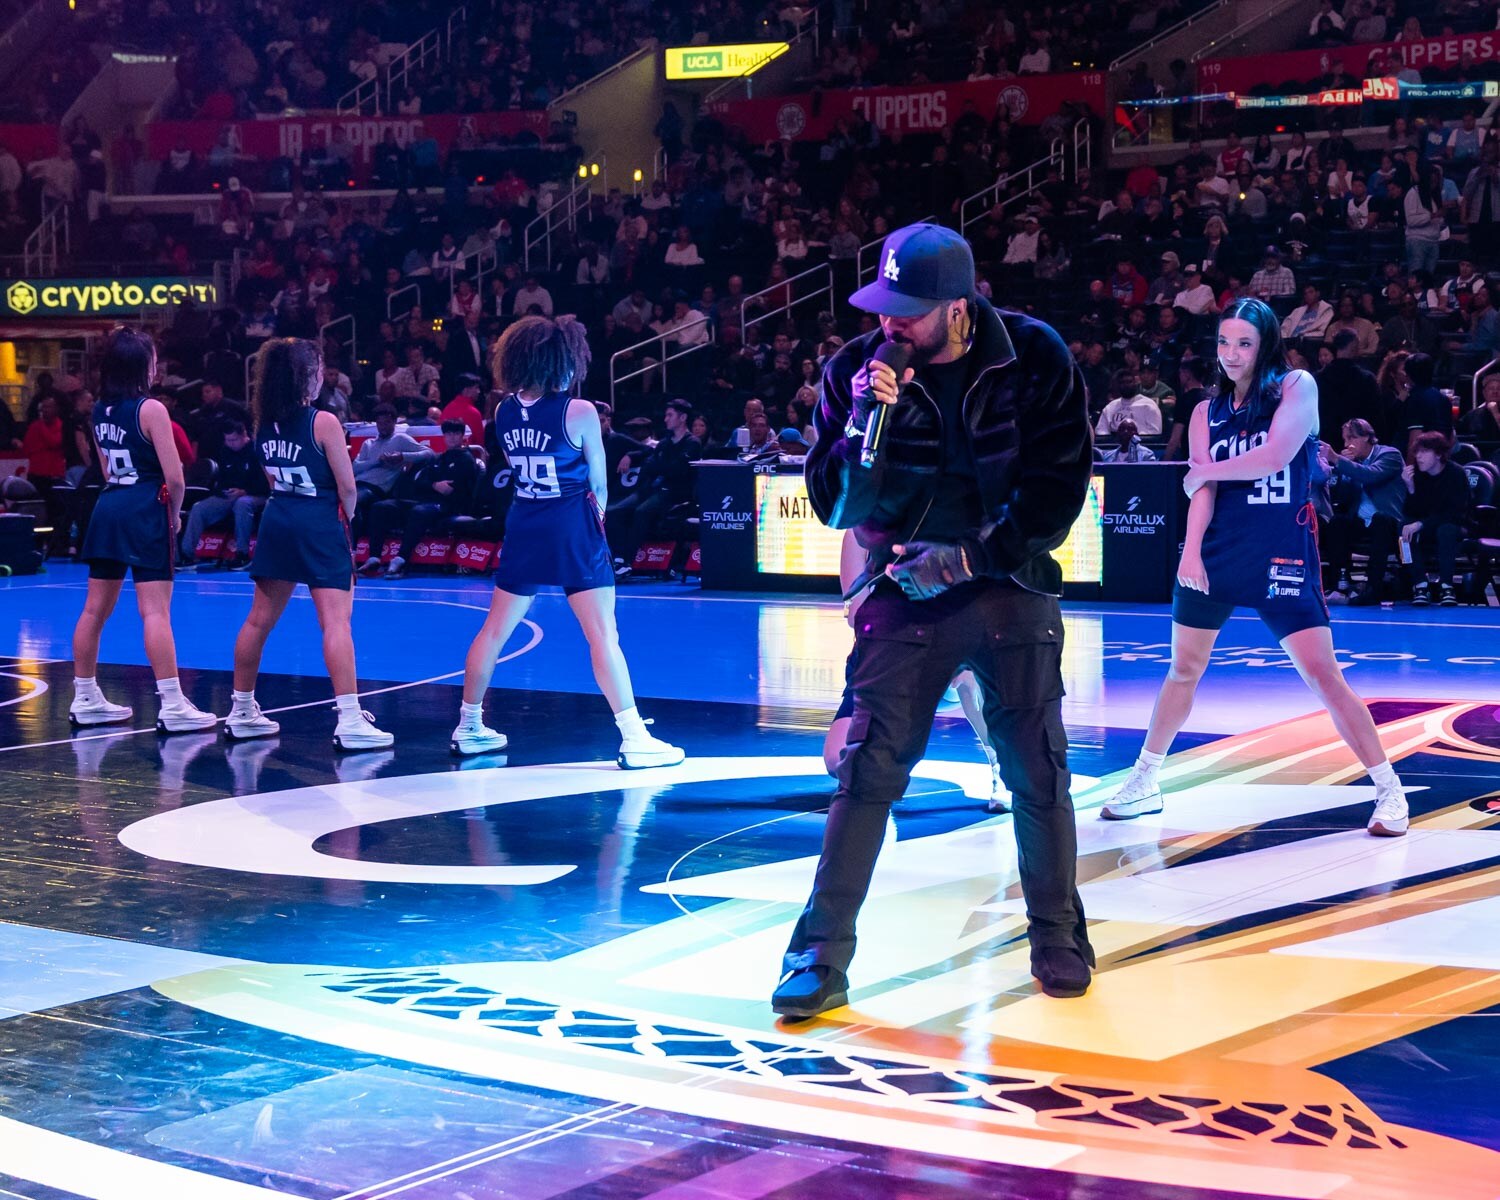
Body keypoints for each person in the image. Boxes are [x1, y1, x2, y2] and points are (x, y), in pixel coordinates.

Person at [772, 223, 1096, 1020]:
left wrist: (966, 559)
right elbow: (838, 509)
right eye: (883, 307)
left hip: (1007, 579)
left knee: (1037, 771)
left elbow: (1057, 495)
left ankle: (1058, 937)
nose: (890, 323)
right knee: (867, 771)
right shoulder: (855, 372)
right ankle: (819, 956)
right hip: (901, 588)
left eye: (908, 311)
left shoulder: (1033, 354)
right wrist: (862, 423)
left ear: (958, 306)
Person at [1101, 300, 1409, 838]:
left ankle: (1389, 790)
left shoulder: (1296, 386)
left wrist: (1205, 471)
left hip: (1280, 552)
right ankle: (1145, 780)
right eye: (1224, 342)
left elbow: (1272, 457)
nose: (1232, 353)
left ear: (1265, 344)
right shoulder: (1205, 410)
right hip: (1217, 551)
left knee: (1324, 677)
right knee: (1182, 670)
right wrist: (1190, 550)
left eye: (1244, 343)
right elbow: (1203, 490)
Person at [451, 316, 684, 770]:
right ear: (561, 361)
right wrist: (595, 526)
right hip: (571, 524)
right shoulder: (578, 411)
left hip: (524, 522)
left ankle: (469, 724)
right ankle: (635, 737)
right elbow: (599, 484)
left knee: (494, 630)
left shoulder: (503, 411)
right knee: (602, 634)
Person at [223, 339, 392, 750]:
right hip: (318, 519)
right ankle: (350, 719)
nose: (320, 377)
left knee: (258, 620)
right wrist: (343, 522)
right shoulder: (323, 421)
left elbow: (270, 479)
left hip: (279, 515)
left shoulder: (263, 422)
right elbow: (348, 487)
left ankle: (241, 710)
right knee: (336, 623)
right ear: (304, 377)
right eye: (317, 370)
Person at [71, 327, 216, 733]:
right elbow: (176, 477)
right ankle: (172, 704)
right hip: (145, 508)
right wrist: (174, 514)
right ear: (142, 365)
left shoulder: (99, 409)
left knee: (93, 609)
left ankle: (84, 696)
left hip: (109, 506)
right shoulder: (151, 409)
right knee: (154, 611)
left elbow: (104, 470)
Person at [1320, 418, 1406, 604]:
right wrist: (1343, 471)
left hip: (1389, 521)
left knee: (1381, 520)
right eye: (1344, 439)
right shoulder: (1351, 463)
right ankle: (1340, 584)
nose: (1346, 444)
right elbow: (1342, 497)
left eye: (1351, 438)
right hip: (1360, 521)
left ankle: (1373, 587)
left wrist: (1338, 459)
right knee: (1337, 522)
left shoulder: (1390, 455)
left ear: (1367, 437)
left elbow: (1371, 475)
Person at [178, 419, 269, 569]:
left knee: (242, 504)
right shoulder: (225, 451)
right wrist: (222, 491)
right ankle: (187, 555)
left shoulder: (258, 450)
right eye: (227, 440)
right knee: (199, 508)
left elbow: (266, 482)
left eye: (234, 440)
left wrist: (245, 491)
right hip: (230, 494)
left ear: (244, 435)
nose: (230, 443)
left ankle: (242, 554)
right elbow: (221, 479)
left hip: (256, 494)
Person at [1401, 433, 1468, 606]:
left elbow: (1454, 513)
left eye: (1424, 452)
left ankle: (1447, 586)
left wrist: (1421, 524)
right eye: (1417, 452)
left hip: (1454, 525)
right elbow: (1412, 511)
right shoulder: (1417, 475)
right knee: (1403, 531)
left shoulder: (1456, 474)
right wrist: (1411, 488)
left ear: (1438, 454)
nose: (1418, 457)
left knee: (1446, 530)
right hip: (1427, 526)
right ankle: (1420, 584)